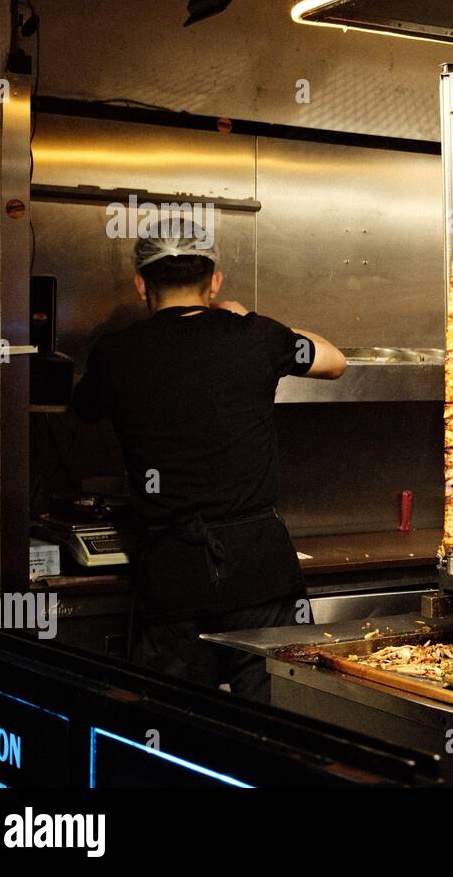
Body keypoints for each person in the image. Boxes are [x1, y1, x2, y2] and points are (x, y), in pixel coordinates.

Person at [71, 222, 346, 701]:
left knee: (177, 727)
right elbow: (333, 360)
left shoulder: (115, 351)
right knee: (274, 723)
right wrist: (248, 317)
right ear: (214, 281)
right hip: (259, 569)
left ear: (141, 284)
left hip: (172, 573)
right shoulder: (256, 336)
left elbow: (83, 411)